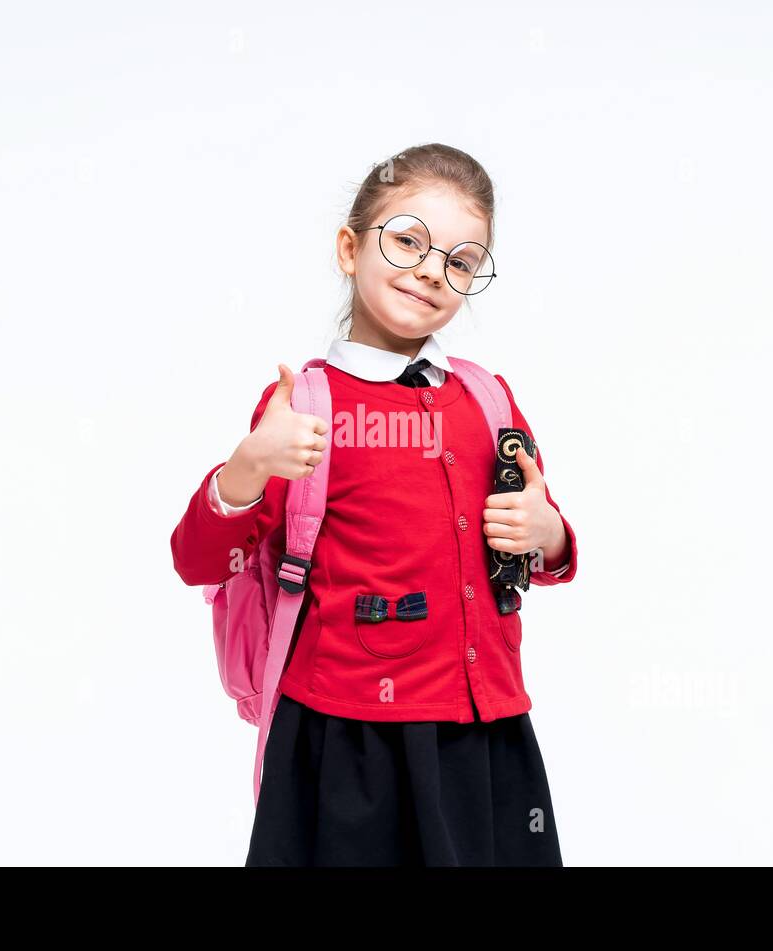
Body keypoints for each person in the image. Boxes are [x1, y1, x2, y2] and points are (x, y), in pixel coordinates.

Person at [170, 143, 579, 866]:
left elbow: (533, 548)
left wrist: (547, 535)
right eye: (409, 240)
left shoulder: (488, 398)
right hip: (347, 740)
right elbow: (198, 558)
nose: (431, 269)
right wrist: (247, 468)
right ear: (349, 248)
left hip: (483, 730)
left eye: (460, 260)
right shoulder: (301, 405)